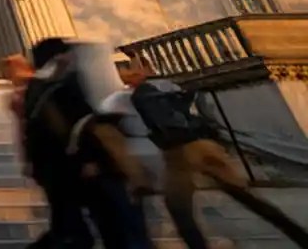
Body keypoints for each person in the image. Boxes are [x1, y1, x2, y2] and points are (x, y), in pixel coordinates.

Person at [129, 57, 308, 249]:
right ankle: (298, 235)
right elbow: (185, 104)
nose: (128, 74)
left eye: (132, 69)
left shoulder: (144, 93)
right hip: (193, 146)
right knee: (240, 197)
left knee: (180, 206)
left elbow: (169, 120)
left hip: (182, 149)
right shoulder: (168, 86)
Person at [22, 38, 152, 249]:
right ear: (59, 57)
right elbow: (83, 124)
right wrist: (89, 159)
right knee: (119, 229)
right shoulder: (62, 87)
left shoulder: (39, 89)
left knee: (79, 230)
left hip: (66, 170)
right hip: (88, 165)